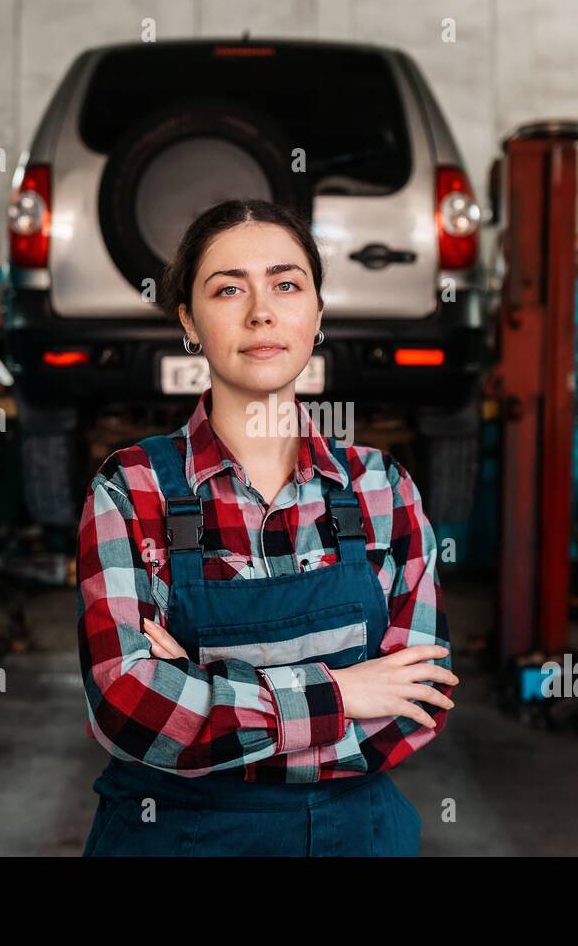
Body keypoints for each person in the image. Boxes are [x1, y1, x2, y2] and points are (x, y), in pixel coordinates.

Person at [75, 198, 459, 856]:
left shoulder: (382, 488)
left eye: (286, 284)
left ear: (316, 313)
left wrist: (205, 688)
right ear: (190, 322)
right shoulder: (132, 489)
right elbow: (130, 708)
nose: (261, 312)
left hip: (357, 835)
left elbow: (415, 701)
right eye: (228, 289)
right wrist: (345, 690)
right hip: (175, 834)